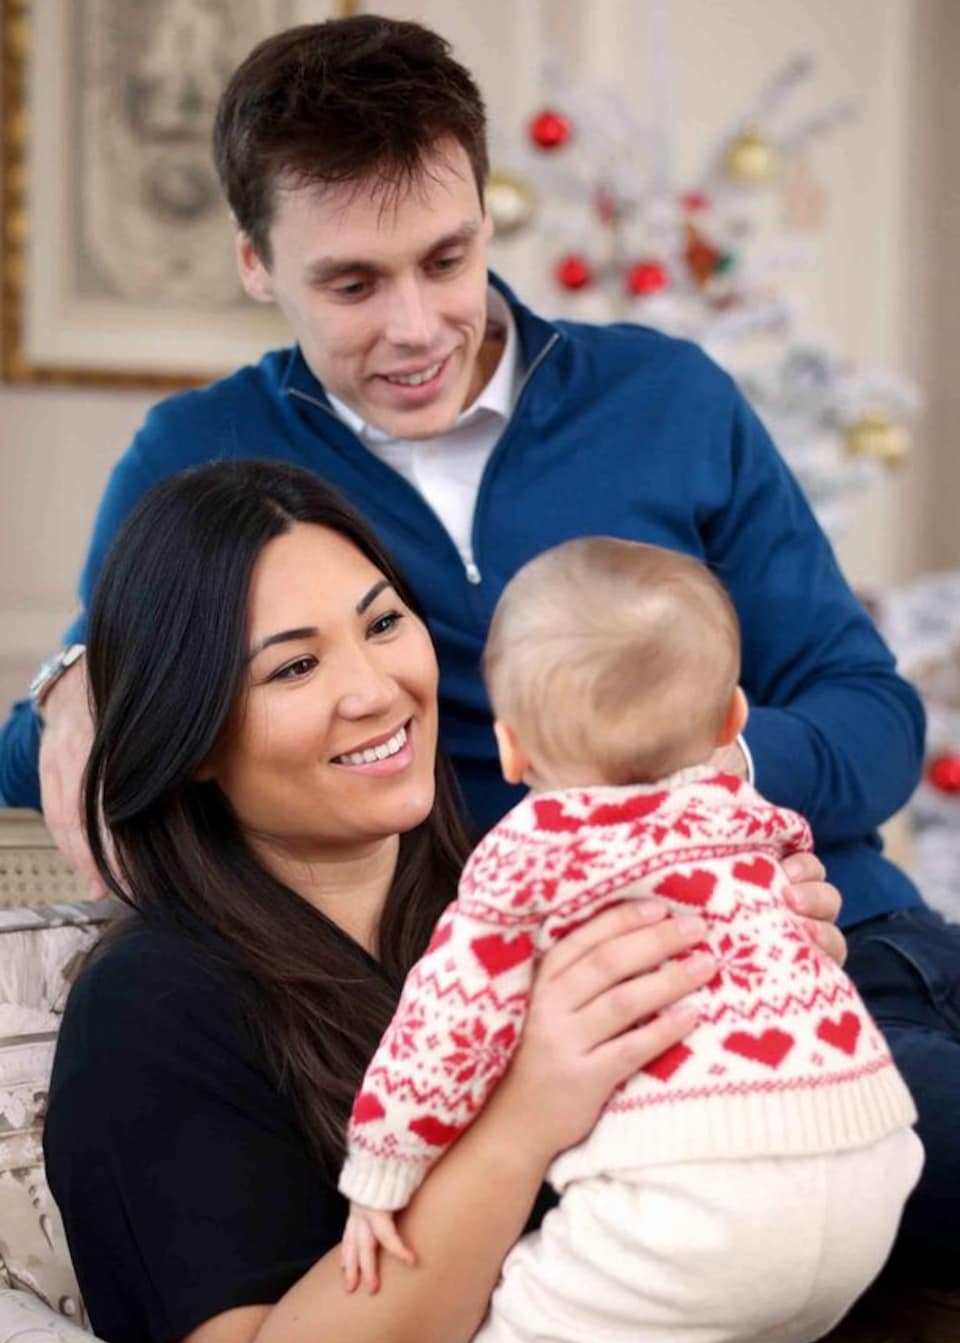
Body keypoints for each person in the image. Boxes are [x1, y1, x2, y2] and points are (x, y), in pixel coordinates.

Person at [5, 14, 957, 1269]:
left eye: (446, 259)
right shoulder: (200, 456)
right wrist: (71, 679)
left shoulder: (669, 398)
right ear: (254, 261)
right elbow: (82, 744)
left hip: (849, 940)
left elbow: (873, 719)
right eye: (353, 285)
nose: (415, 328)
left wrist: (680, 812)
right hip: (627, 1034)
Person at [43, 460, 960, 1343]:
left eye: (384, 623)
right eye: (294, 665)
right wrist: (525, 1114)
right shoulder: (153, 1004)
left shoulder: (518, 894)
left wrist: (759, 986)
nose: (375, 688)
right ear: (190, 736)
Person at [337, 538, 922, 1343]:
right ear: (733, 723)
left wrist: (382, 1170)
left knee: (545, 1312)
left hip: (699, 1188)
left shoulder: (531, 854)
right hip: (869, 1171)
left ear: (511, 748)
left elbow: (449, 1020)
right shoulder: (749, 816)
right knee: (723, 1335)